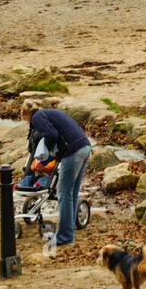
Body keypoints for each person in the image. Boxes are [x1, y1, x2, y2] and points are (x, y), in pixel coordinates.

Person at [28, 105, 92, 246]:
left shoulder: (37, 117)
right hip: (85, 146)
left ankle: (65, 236)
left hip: (73, 150)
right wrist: (48, 160)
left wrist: (43, 160)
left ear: (26, 116)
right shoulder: (51, 113)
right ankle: (69, 231)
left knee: (63, 193)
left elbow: (51, 135)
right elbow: (58, 138)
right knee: (71, 193)